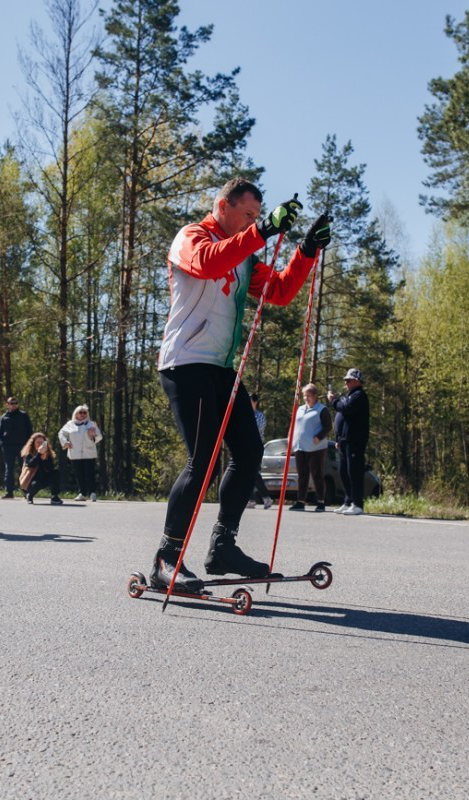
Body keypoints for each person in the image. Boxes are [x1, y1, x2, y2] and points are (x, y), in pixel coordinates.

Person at [150, 178, 330, 592]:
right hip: (185, 363)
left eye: (256, 215)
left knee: (248, 451)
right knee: (204, 460)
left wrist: (306, 250)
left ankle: (222, 547)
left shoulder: (245, 252)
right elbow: (208, 263)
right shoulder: (191, 237)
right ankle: (166, 557)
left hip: (222, 368)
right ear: (222, 206)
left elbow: (280, 291)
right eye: (247, 214)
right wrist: (261, 231)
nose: (253, 221)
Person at [329, 368, 369, 516]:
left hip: (355, 440)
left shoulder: (359, 396)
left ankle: (357, 503)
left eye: (349, 380)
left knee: (354, 472)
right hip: (344, 440)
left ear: (357, 381)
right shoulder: (348, 396)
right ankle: (348, 501)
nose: (346, 383)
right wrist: (338, 439)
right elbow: (342, 417)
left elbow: (345, 409)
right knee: (343, 471)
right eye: (345, 380)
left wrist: (333, 401)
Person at [290, 384, 333, 512]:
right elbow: (295, 426)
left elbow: (328, 426)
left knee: (317, 475)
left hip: (316, 448)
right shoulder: (300, 409)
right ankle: (300, 501)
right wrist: (291, 440)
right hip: (300, 447)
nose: (305, 398)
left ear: (315, 396)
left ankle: (320, 502)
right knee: (302, 475)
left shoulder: (321, 409)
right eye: (304, 395)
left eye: (308, 395)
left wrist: (319, 437)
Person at [59, 404, 102, 502]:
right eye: (80, 412)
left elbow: (99, 437)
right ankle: (82, 493)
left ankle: (92, 493)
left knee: (89, 474)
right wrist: (65, 442)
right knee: (79, 474)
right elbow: (61, 433)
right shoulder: (70, 424)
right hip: (75, 453)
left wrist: (92, 435)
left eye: (84, 413)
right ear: (76, 414)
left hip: (89, 453)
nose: (82, 415)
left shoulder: (91, 424)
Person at [0, 396, 32, 499]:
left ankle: (26, 492)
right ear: (7, 404)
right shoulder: (4, 417)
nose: (13, 405)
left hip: (22, 446)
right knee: (9, 469)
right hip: (8, 447)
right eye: (11, 403)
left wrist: (28, 445)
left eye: (15, 403)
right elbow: (0, 433)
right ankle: (9, 492)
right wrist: (2, 443)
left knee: (24, 469)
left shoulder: (23, 415)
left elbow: (29, 431)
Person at [19, 432, 63, 505]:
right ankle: (29, 495)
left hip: (42, 478)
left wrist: (45, 458)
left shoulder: (47, 453)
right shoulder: (28, 454)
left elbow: (50, 469)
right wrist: (38, 454)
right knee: (36, 483)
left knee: (56, 473)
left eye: (42, 442)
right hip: (30, 480)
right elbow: (31, 464)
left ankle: (54, 496)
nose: (40, 444)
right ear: (33, 443)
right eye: (38, 442)